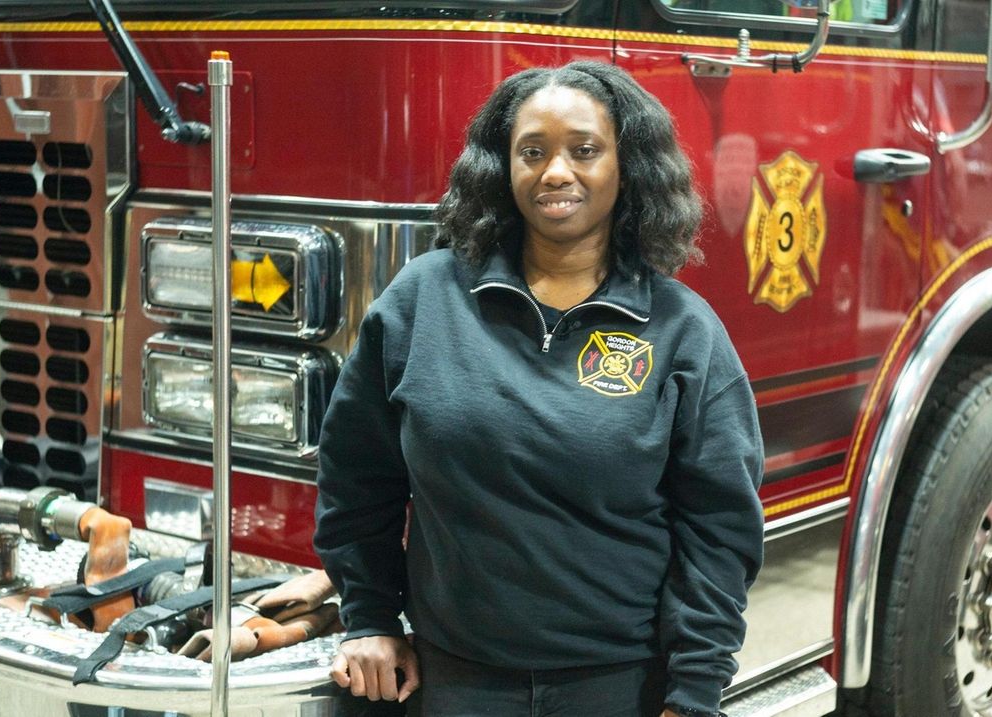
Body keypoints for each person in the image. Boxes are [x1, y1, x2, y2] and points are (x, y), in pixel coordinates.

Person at [314, 60, 764, 717]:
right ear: (502, 166)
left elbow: (719, 530)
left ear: (627, 165)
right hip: (455, 683)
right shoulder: (424, 299)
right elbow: (358, 475)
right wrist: (370, 615)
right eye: (532, 152)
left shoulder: (682, 331)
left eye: (584, 150)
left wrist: (694, 691)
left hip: (620, 687)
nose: (555, 173)